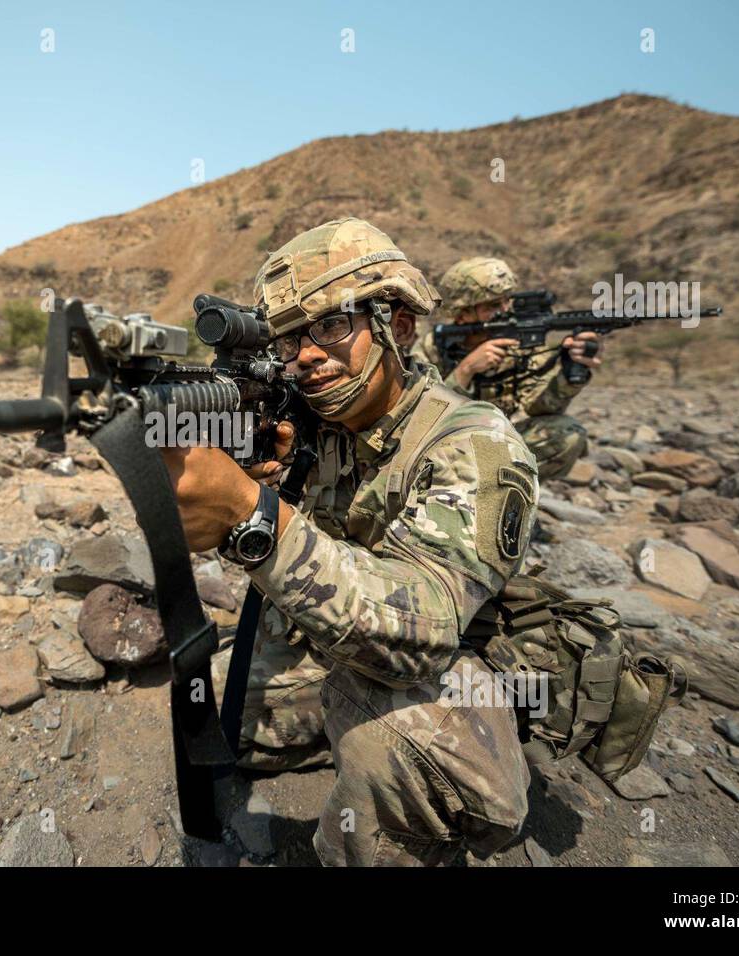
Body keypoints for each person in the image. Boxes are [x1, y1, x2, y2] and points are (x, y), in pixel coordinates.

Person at [161, 219, 539, 866]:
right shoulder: (312, 414)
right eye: (286, 339)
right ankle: (338, 727)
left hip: (443, 662)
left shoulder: (474, 443)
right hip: (331, 644)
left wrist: (253, 519)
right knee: (207, 711)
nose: (305, 354)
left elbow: (421, 633)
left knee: (395, 746)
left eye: (332, 326)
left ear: (399, 324)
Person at [406, 256, 600, 480]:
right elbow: (417, 417)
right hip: (441, 448)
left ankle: (503, 496)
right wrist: (465, 372)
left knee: (567, 434)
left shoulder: (516, 344)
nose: (505, 310)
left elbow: (540, 407)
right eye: (493, 305)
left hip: (491, 448)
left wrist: (569, 374)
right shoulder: (433, 348)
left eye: (507, 301)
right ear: (463, 313)